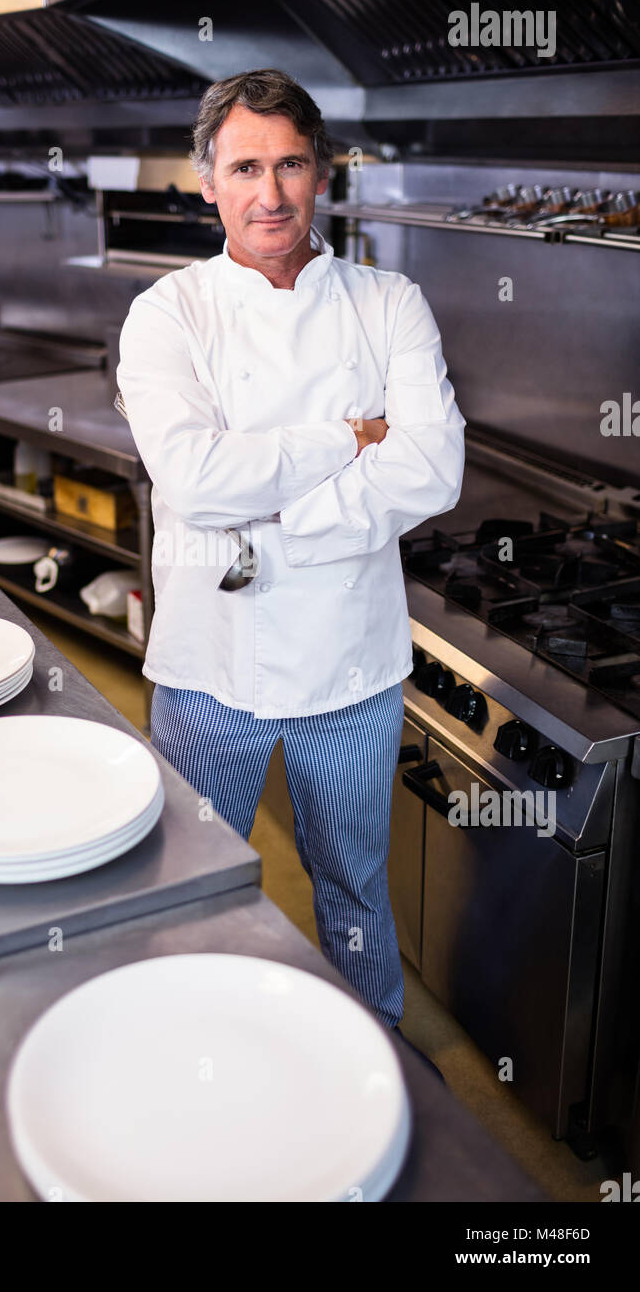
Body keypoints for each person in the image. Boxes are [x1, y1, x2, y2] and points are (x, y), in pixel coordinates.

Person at [116, 68, 465, 1033]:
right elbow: (191, 479)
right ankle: (197, 1057)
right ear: (207, 182)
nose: (269, 194)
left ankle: (374, 1064)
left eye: (291, 165)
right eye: (245, 168)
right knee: (189, 882)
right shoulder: (167, 313)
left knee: (355, 891)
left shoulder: (389, 302)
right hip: (206, 665)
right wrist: (349, 439)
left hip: (349, 665)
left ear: (323, 175)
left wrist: (273, 526)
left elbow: (432, 469)